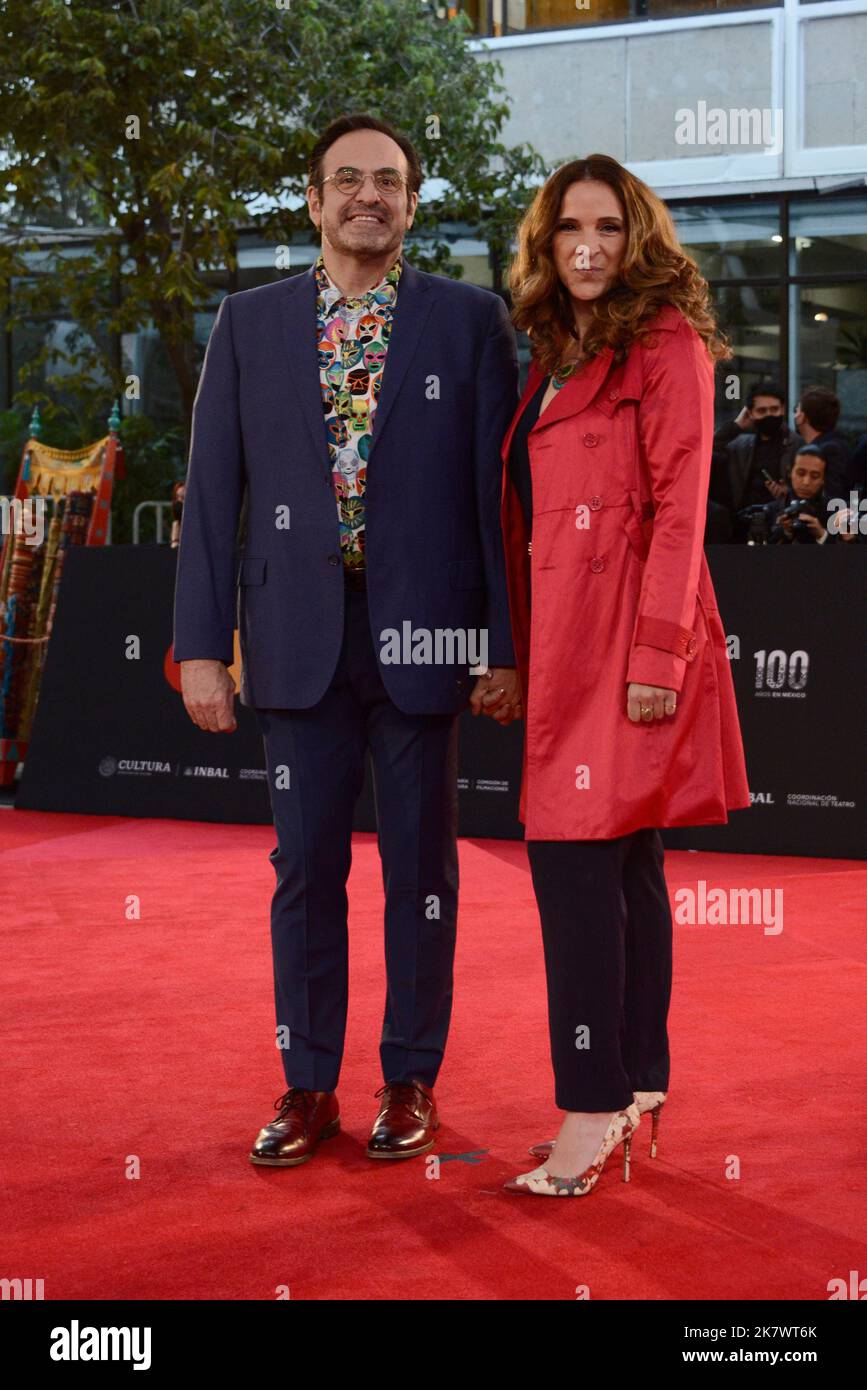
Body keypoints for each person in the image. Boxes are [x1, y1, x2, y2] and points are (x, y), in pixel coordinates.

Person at [173, 113, 521, 1168]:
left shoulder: (471, 323)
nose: (368, 195)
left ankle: (410, 1076)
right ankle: (307, 1081)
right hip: (292, 634)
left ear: (412, 203)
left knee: (422, 866)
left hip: (425, 631)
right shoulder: (248, 321)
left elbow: (496, 497)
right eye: (347, 180)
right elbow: (211, 498)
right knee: (303, 868)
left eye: (390, 181)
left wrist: (504, 640)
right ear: (314, 201)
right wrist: (200, 643)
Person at [498, 153, 750, 1198]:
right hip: (560, 644)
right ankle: (639, 1081)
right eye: (568, 228)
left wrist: (655, 657)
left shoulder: (667, 342)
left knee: (572, 874)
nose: (587, 243)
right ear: (546, 245)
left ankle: (588, 1105)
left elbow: (682, 506)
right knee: (627, 865)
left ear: (637, 235)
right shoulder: (556, 350)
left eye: (607, 224)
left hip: (629, 642)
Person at [710, 380, 800, 539]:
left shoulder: (796, 445)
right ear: (750, 413)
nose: (769, 415)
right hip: (741, 527)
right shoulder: (742, 445)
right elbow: (710, 448)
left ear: (783, 409)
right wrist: (737, 425)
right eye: (762, 410)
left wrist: (787, 494)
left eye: (774, 409)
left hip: (780, 527)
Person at [794, 385, 852, 499]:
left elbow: (834, 497)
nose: (795, 415)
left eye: (797, 410)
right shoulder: (836, 443)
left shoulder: (829, 450)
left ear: (802, 417)